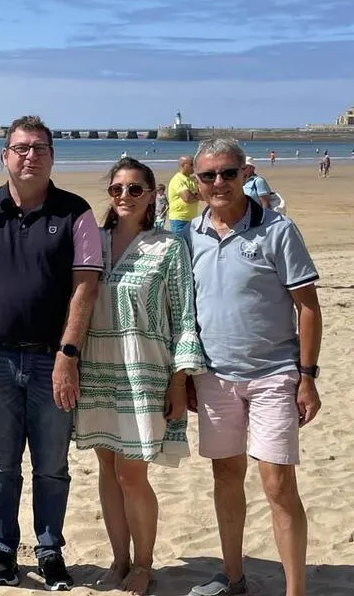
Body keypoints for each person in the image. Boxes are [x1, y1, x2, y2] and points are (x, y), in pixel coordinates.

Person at [186, 138, 322, 596]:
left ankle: (295, 589)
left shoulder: (278, 229)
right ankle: (233, 575)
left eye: (227, 173)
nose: (218, 183)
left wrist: (308, 376)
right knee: (225, 476)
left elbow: (308, 308)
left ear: (245, 173)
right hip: (214, 376)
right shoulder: (192, 234)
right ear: (198, 182)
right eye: (209, 176)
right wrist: (186, 374)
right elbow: (188, 310)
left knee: (277, 482)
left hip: (275, 374)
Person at [75, 158, 205, 595]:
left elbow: (185, 316)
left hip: (143, 371)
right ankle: (119, 559)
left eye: (135, 189)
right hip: (95, 366)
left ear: (153, 194)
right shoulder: (92, 243)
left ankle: (144, 563)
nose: (125, 196)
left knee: (132, 473)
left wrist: (178, 379)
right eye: (117, 189)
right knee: (106, 468)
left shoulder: (168, 248)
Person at [0, 115, 102, 590]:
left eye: (40, 148)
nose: (30, 155)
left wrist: (68, 354)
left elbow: (86, 287)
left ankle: (51, 551)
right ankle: (3, 551)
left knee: (51, 465)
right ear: (4, 156)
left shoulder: (76, 212)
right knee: (0, 464)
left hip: (52, 359)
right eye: (20, 148)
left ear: (53, 156)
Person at [166, 155, 200, 239]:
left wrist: (196, 195)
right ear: (183, 165)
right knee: (181, 247)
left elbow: (203, 195)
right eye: (192, 165)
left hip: (192, 219)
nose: (194, 167)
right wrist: (197, 196)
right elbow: (187, 198)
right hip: (179, 219)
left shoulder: (192, 180)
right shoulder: (178, 179)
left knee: (190, 247)